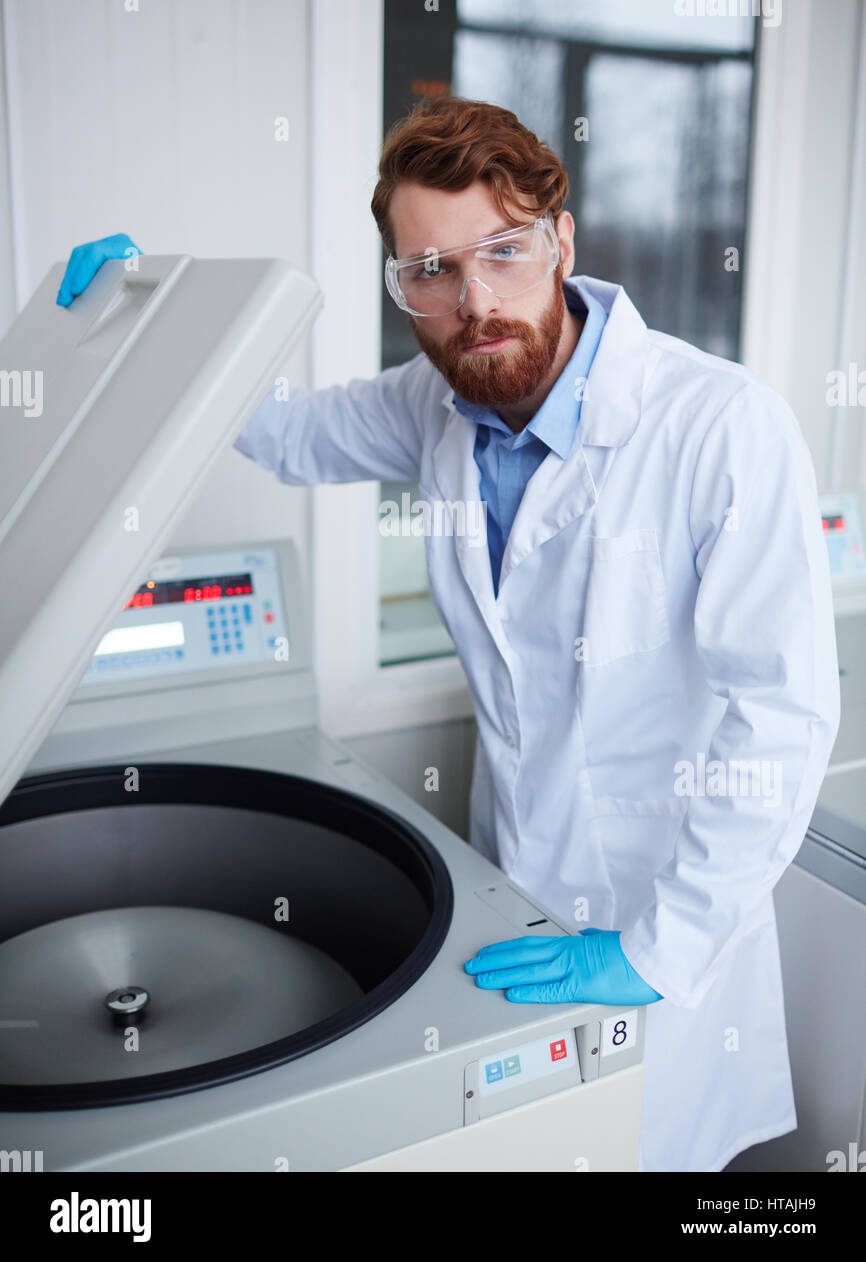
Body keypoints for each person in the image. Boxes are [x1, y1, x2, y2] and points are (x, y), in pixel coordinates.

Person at [56, 96, 840, 1173]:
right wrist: (161, 303)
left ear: (560, 242)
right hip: (511, 894)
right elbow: (287, 431)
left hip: (664, 928)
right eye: (428, 272)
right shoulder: (436, 398)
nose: (472, 302)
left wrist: (659, 948)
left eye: (502, 253)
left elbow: (781, 717)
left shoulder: (719, 427)